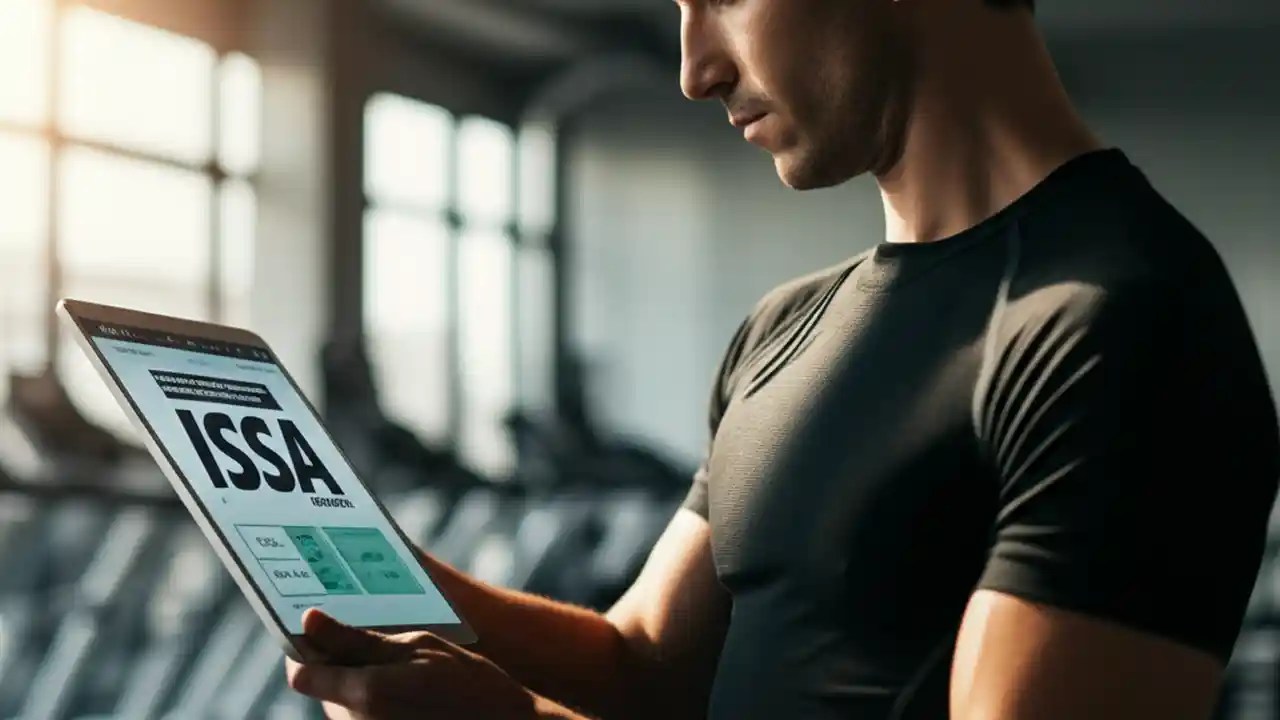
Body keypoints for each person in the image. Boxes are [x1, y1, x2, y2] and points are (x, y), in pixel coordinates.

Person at [285, 0, 1280, 717]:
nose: (692, 68)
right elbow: (641, 669)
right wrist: (381, 577)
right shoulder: (784, 327)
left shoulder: (1114, 321)